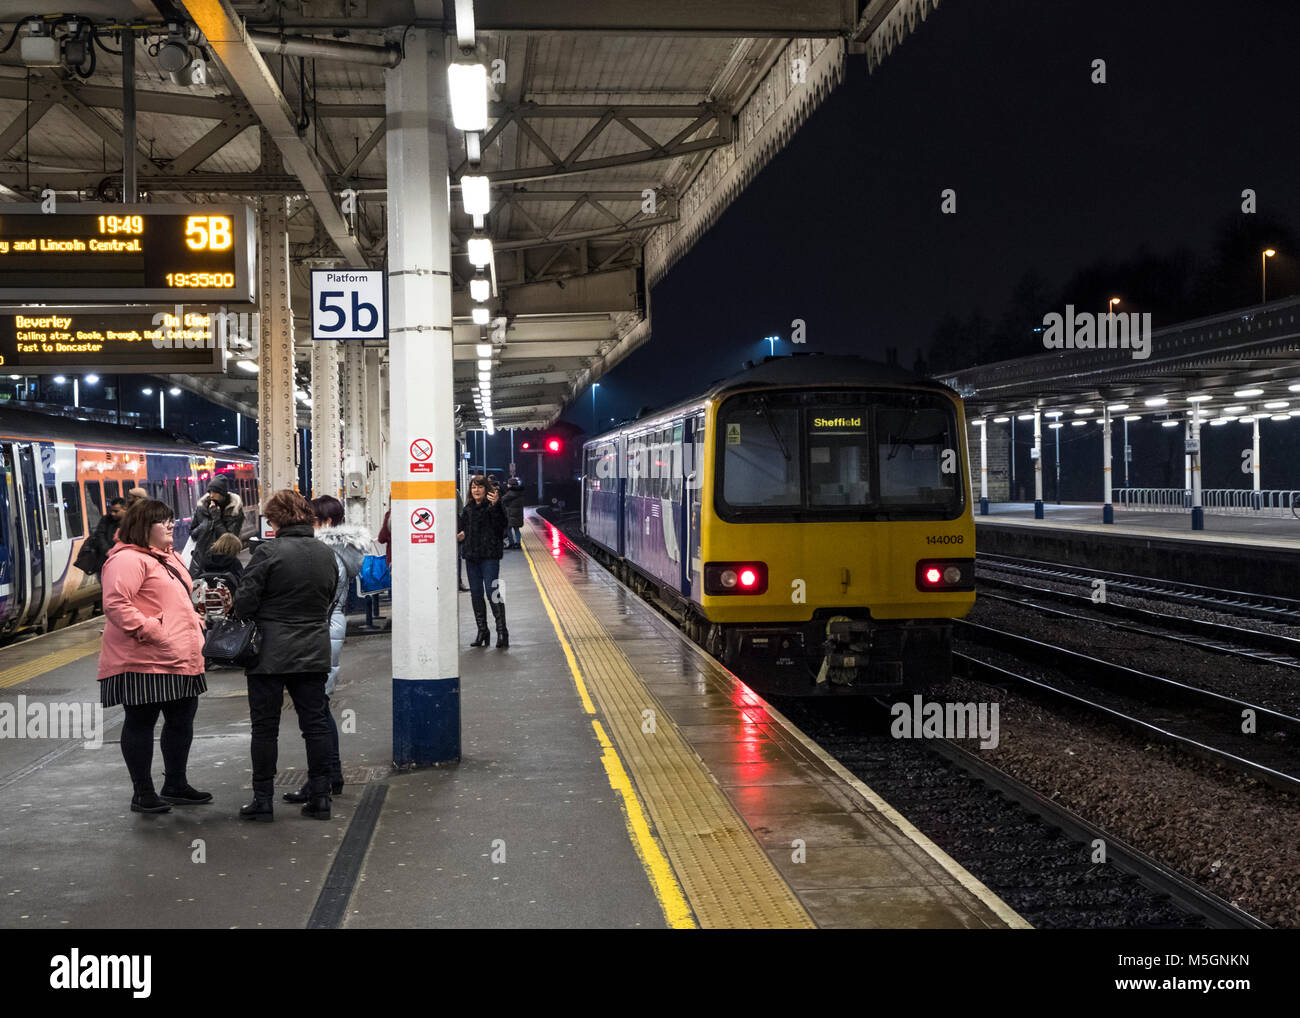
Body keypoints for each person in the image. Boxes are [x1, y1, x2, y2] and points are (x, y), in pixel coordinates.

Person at [97, 499, 210, 814]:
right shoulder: (127, 560)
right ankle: (143, 793)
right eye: (163, 522)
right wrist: (152, 630)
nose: (171, 525)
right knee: (141, 721)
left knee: (181, 718)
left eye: (171, 520)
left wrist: (192, 620)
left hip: (179, 654)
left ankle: (175, 784)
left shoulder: (168, 556)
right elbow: (117, 604)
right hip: (143, 657)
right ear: (144, 527)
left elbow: (174, 599)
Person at [233, 490, 339, 822]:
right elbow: (330, 596)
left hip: (269, 654)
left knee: (265, 728)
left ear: (277, 519)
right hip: (312, 650)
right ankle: (321, 797)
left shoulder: (268, 552)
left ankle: (263, 800)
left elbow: (245, 603)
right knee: (316, 725)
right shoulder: (325, 553)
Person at [281, 496, 370, 805]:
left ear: (328, 522)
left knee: (316, 711)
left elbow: (320, 595)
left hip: (320, 630)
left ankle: (324, 777)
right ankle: (330, 775)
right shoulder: (338, 551)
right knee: (319, 707)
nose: (308, 523)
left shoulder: (327, 554)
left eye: (313, 519)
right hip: (329, 628)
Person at [458, 474, 508, 649]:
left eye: (480, 487)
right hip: (472, 557)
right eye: (473, 487)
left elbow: (502, 525)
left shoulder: (493, 506)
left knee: (492, 591)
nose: (476, 490)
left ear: (486, 489)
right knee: (476, 594)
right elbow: (462, 530)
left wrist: (496, 505)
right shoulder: (468, 509)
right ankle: (483, 631)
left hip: (489, 557)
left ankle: (502, 632)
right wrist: (460, 536)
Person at [189, 474, 244, 576]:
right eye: (209, 492)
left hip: (224, 564)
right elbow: (192, 533)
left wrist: (216, 519)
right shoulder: (202, 509)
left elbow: (230, 540)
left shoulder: (234, 512)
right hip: (200, 563)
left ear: (222, 493)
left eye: (214, 492)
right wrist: (205, 525)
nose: (211, 495)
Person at [75, 497, 125, 576]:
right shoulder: (106, 520)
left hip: (124, 561)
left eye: (116, 511)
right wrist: (108, 551)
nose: (112, 513)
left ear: (125, 509)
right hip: (105, 559)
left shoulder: (132, 522)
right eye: (111, 511)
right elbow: (100, 535)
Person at [501, 477, 525, 549]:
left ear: (511, 485)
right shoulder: (520, 492)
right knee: (516, 529)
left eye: (508, 484)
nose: (507, 485)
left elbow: (502, 499)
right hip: (517, 514)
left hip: (511, 514)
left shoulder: (511, 493)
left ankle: (511, 543)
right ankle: (518, 543)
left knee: (508, 529)